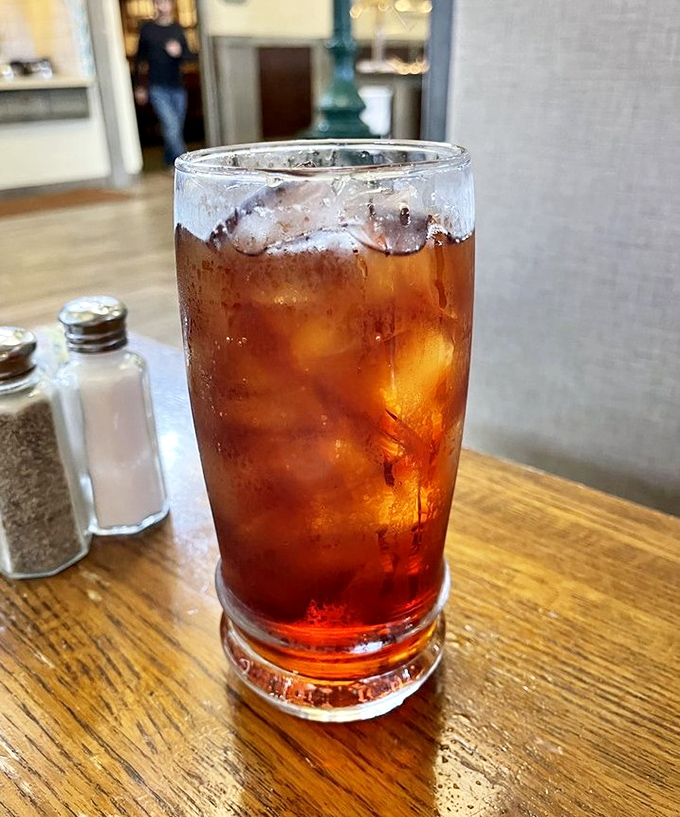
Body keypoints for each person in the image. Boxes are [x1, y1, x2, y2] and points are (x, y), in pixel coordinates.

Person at [133, 0, 191, 167]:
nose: (162, 6)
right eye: (159, 2)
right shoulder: (147, 29)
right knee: (171, 126)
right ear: (154, 5)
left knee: (174, 128)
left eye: (165, 2)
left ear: (171, 5)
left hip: (178, 86)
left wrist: (179, 52)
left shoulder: (177, 29)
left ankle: (168, 159)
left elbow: (190, 56)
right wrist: (139, 86)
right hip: (156, 86)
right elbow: (139, 60)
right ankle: (185, 167)